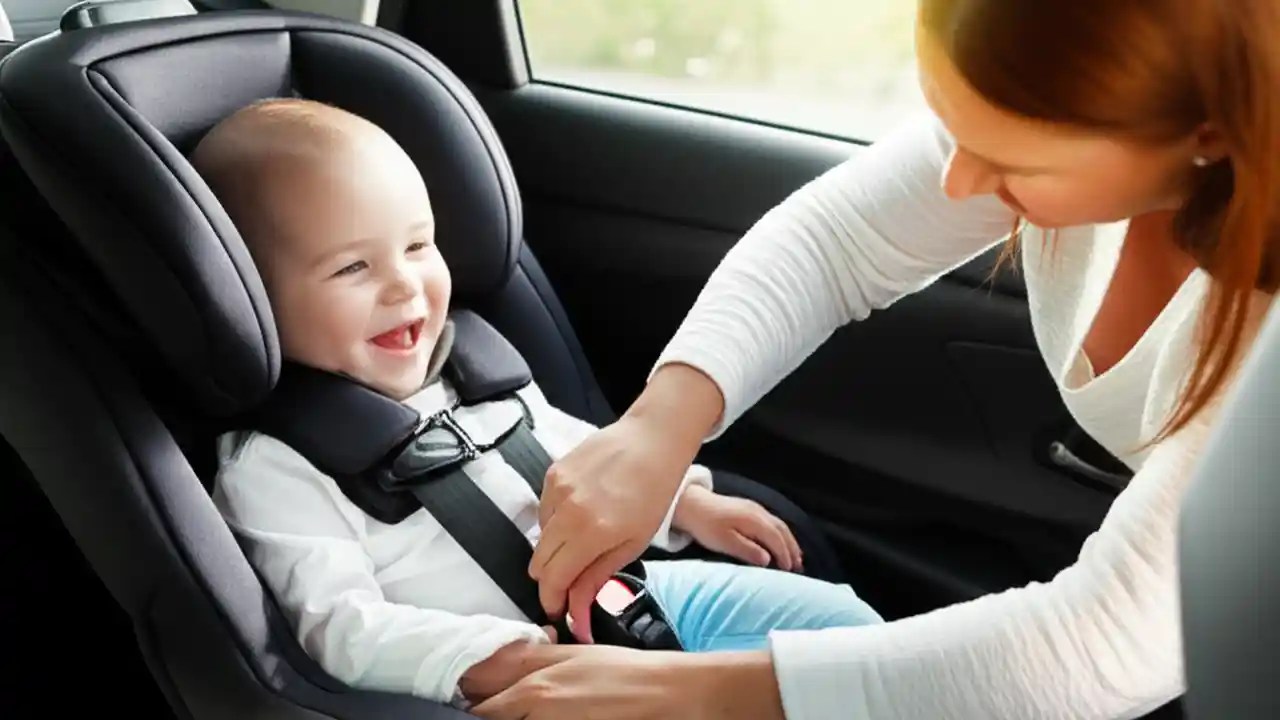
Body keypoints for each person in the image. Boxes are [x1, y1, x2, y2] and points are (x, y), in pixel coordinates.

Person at [480, 1, 1280, 718]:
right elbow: (838, 242)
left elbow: (1104, 644)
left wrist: (697, 692)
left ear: (1210, 133)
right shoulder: (1070, 109)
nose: (960, 180)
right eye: (952, 128)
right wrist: (657, 428)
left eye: (1014, 165)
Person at [195, 98, 883, 709]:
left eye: (417, 245)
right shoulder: (276, 467)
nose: (405, 285)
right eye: (353, 267)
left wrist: (684, 502)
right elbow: (342, 630)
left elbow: (587, 466)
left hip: (629, 599)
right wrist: (522, 659)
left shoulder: (476, 370)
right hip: (509, 677)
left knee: (852, 641)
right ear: (251, 298)